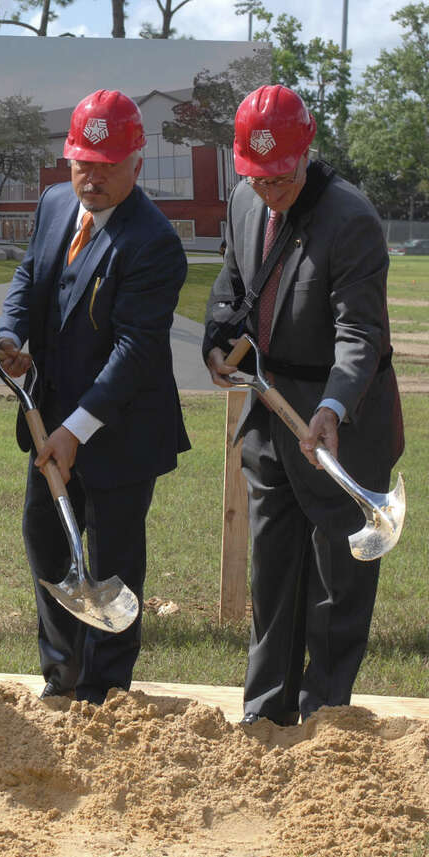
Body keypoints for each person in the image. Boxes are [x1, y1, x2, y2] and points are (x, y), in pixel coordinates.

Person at [203, 85, 403, 725]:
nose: (270, 188)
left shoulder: (352, 220)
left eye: (282, 175)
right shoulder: (241, 201)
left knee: (335, 589)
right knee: (273, 576)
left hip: (342, 424)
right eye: (257, 177)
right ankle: (264, 718)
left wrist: (334, 409)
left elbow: (360, 336)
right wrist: (215, 340)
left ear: (307, 150)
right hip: (268, 416)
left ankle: (325, 723)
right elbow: (232, 283)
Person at [0, 89, 189, 705]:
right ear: (67, 160)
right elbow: (29, 276)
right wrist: (9, 334)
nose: (92, 176)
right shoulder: (56, 203)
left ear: (137, 163)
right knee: (48, 544)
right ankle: (61, 679)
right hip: (49, 419)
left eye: (106, 165)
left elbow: (135, 352)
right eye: (82, 162)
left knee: (110, 565)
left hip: (121, 432)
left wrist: (75, 430)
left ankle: (105, 694)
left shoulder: (153, 241)